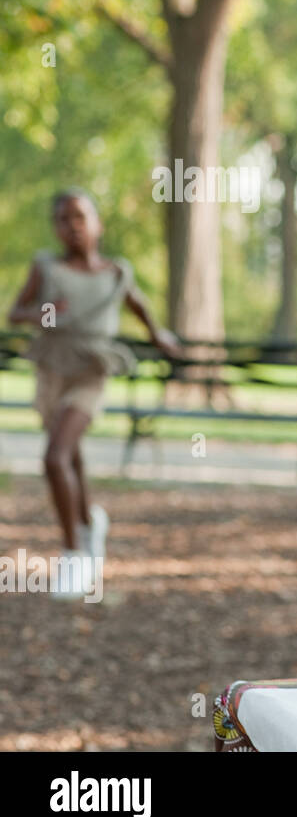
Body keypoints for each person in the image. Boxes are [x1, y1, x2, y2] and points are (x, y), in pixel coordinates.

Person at [6, 188, 180, 598]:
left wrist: (160, 336)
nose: (72, 227)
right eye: (63, 220)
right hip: (53, 371)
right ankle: (91, 529)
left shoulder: (115, 272)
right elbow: (17, 312)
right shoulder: (46, 267)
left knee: (54, 458)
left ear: (97, 223)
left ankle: (73, 556)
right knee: (73, 458)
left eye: (80, 217)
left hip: (91, 373)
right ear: (56, 228)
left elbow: (137, 305)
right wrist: (48, 314)